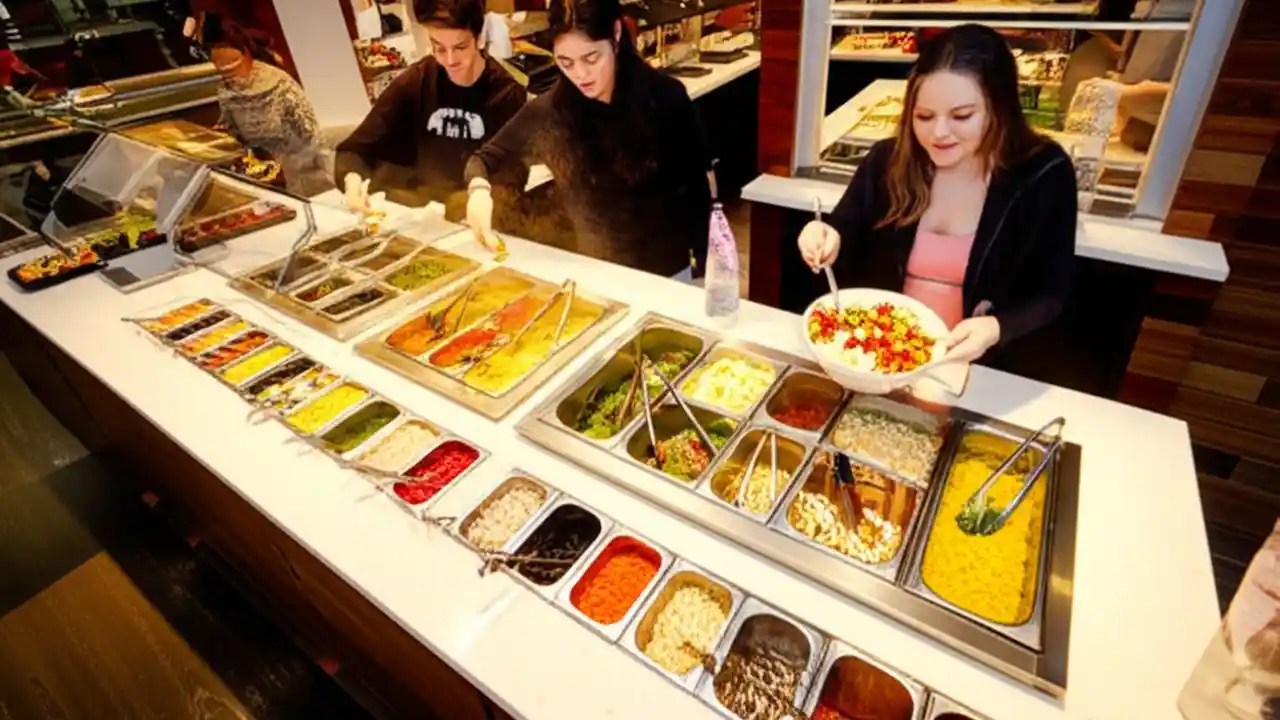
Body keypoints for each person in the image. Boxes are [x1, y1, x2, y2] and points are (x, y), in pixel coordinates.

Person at [798, 24, 1077, 366]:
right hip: (883, 357)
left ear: (1000, 107)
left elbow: (1050, 294)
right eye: (924, 116)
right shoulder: (889, 158)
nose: (938, 133)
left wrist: (996, 327)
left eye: (962, 116)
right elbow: (844, 224)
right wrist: (826, 234)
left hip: (977, 367)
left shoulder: (1043, 173)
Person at [464, 0, 714, 279]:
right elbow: (483, 160)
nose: (580, 75)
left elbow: (699, 188)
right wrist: (478, 191)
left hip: (668, 276)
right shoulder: (551, 111)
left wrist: (701, 266)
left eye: (592, 58)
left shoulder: (666, 98)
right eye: (566, 62)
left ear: (616, 35)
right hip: (594, 274)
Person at [334, 0, 528, 207]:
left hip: (473, 214)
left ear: (479, 39)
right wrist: (352, 178)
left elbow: (510, 181)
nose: (450, 60)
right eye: (439, 48)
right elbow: (356, 149)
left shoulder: (507, 95)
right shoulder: (418, 80)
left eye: (460, 47)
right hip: (420, 211)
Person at [205, 15, 332, 197]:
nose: (229, 73)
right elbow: (234, 133)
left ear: (247, 54)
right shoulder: (226, 92)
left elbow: (313, 141)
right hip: (262, 180)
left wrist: (289, 170)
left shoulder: (280, 86)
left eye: (233, 64)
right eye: (221, 69)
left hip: (303, 178)